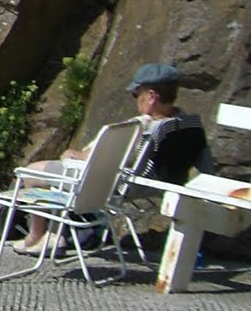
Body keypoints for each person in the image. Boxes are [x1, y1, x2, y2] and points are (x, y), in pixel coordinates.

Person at [12, 62, 210, 254]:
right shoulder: (190, 125)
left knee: (31, 173)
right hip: (153, 187)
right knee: (58, 177)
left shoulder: (139, 128)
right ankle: (54, 235)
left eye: (136, 94)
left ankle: (38, 235)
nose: (135, 100)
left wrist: (73, 154)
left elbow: (97, 160)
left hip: (111, 187)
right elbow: (207, 167)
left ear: (151, 96)